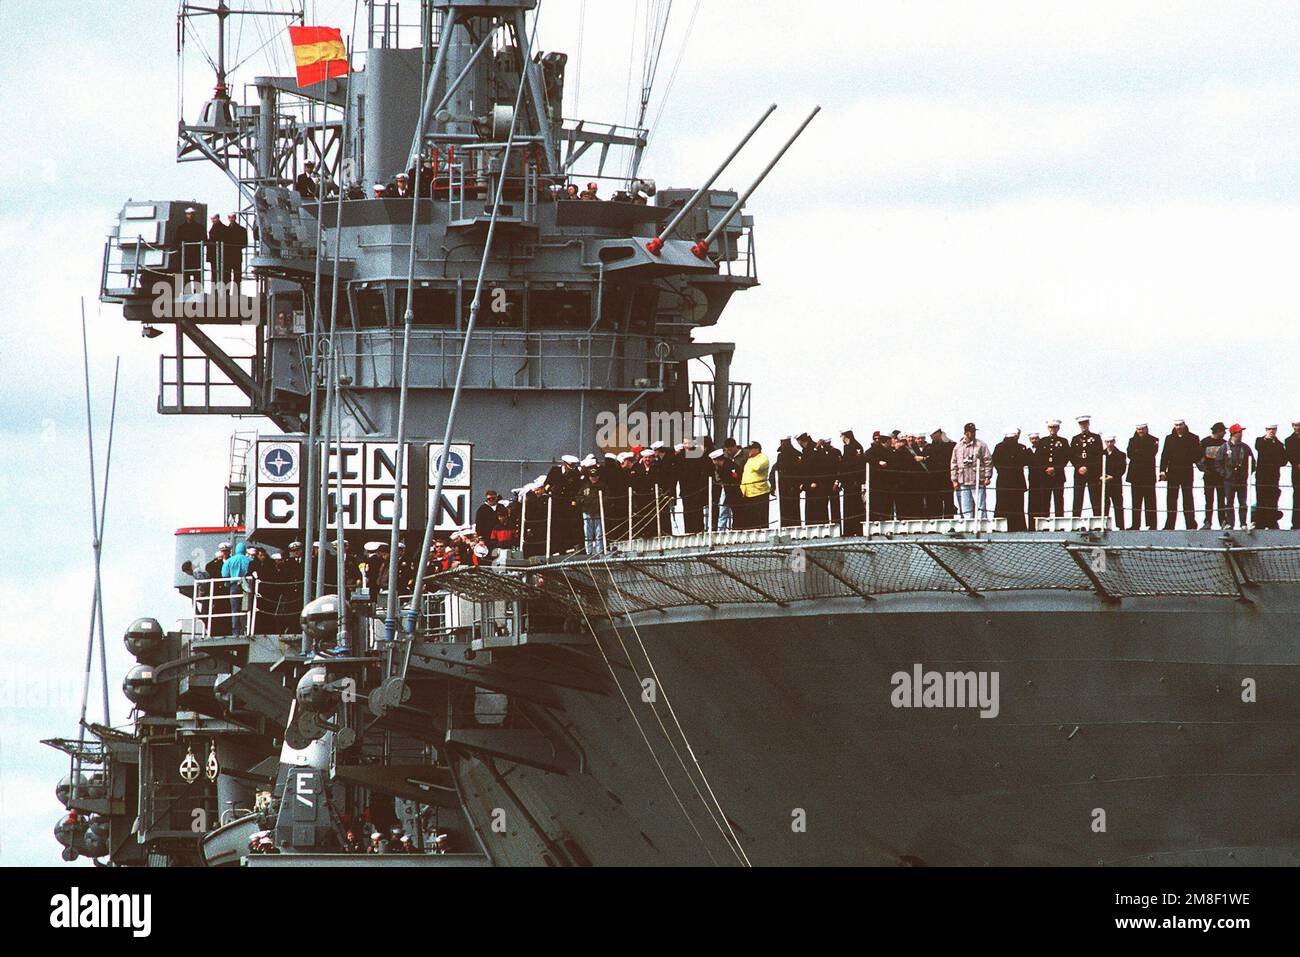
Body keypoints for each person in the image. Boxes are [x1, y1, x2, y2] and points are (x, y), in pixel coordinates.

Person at [1159, 418, 1200, 529]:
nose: (1178, 427)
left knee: (1188, 498)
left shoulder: (1193, 438)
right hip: (1173, 472)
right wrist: (1162, 471)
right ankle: (1170, 525)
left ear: (1184, 425)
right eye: (1176, 425)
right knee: (1171, 499)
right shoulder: (1169, 438)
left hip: (1187, 471)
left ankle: (1191, 524)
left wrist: (1188, 458)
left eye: (1180, 425)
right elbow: (1164, 456)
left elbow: (1197, 455)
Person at [950, 422, 991, 519]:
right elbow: (954, 464)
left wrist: (987, 477)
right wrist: (954, 480)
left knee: (980, 503)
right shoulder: (958, 447)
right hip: (963, 480)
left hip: (977, 480)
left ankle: (982, 522)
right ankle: (968, 523)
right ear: (966, 433)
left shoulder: (981, 445)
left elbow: (988, 461)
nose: (973, 434)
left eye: (974, 431)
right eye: (971, 432)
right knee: (965, 505)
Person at [991, 429, 1028, 531]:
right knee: (1017, 505)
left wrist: (1002, 471)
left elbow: (995, 461)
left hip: (1003, 480)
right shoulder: (1021, 447)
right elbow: (1025, 460)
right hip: (1017, 481)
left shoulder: (999, 447)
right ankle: (1018, 527)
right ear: (1016, 436)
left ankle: (999, 527)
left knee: (1002, 504)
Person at [1220, 424, 1255, 528]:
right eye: (1239, 432)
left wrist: (1247, 473)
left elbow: (1253, 462)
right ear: (1233, 434)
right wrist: (1224, 474)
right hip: (1229, 480)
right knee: (1229, 502)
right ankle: (1230, 523)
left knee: (1242, 502)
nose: (1241, 434)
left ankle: (1243, 523)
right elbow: (1218, 462)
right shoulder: (1224, 447)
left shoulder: (1245, 447)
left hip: (1241, 479)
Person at [1126, 423, 1159, 530]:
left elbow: (1151, 453)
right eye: (1139, 429)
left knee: (1150, 501)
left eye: (1142, 429)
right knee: (1136, 501)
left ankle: (1152, 524)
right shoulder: (1132, 441)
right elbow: (1130, 454)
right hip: (1135, 476)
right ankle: (1135, 524)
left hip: (1148, 475)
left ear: (1147, 429)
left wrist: (1138, 453)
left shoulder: (1154, 440)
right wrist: (1141, 453)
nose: (1140, 431)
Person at [1069, 415, 1102, 517]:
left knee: (1095, 497)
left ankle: (1097, 519)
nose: (1083, 425)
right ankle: (1075, 519)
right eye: (1081, 424)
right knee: (1078, 497)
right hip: (1079, 472)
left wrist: (1088, 467)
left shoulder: (1096, 438)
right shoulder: (1075, 439)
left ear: (1088, 424)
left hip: (1092, 472)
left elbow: (1098, 455)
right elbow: (1072, 455)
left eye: (1085, 423)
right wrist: (1079, 467)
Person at [1036, 419, 1070, 518]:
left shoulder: (1063, 441)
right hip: (1045, 475)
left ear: (1058, 428)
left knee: (1059, 499)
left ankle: (1060, 520)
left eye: (1055, 427)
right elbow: (1038, 457)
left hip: (1058, 475)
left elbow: (1066, 457)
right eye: (1051, 427)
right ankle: (1044, 522)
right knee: (1044, 499)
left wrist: (1055, 468)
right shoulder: (1043, 441)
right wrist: (1046, 468)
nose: (1053, 429)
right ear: (1048, 428)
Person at [1254, 424, 1286, 529]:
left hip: (1273, 476)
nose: (1271, 431)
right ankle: (1260, 522)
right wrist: (1269, 442)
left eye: (1273, 429)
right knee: (1261, 498)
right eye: (1269, 429)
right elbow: (1259, 448)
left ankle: (1271, 521)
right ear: (1266, 430)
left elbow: (1283, 461)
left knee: (1273, 499)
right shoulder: (1260, 441)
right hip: (1262, 476)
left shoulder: (1279, 444)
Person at [798, 432, 833, 524]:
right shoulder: (807, 450)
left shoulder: (816, 450)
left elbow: (818, 466)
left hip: (819, 485)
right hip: (809, 486)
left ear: (800, 441)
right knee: (811, 512)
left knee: (819, 510)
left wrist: (816, 481)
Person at [1198, 421, 1227, 529]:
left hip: (1221, 476)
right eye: (1223, 431)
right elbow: (1198, 458)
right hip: (1209, 475)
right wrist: (1204, 469)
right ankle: (1208, 522)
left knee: (1221, 499)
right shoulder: (1205, 442)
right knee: (1209, 500)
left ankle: (1223, 521)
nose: (1225, 433)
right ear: (1218, 431)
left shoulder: (1224, 443)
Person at [738, 441, 771, 530]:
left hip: (759, 492)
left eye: (751, 449)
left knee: (760, 516)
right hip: (748, 492)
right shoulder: (750, 459)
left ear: (757, 449)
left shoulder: (763, 457)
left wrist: (750, 459)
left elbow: (758, 467)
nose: (749, 450)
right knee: (751, 518)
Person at [221, 541, 251, 637]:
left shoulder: (230, 560)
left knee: (235, 609)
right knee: (247, 608)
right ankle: (247, 629)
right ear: (244, 551)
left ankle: (236, 631)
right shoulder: (249, 560)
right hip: (246, 586)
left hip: (234, 586)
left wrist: (227, 584)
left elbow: (225, 574)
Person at [925, 428, 955, 518]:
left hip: (946, 477)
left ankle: (949, 519)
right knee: (935, 501)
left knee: (948, 501)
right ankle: (936, 519)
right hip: (934, 478)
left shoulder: (950, 445)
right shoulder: (929, 447)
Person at [840, 430, 866, 534]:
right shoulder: (846, 447)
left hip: (854, 481)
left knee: (855, 505)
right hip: (847, 481)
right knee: (848, 506)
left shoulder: (856, 446)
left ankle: (857, 529)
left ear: (845, 436)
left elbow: (858, 464)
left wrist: (857, 479)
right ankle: (849, 529)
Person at [175, 207, 207, 290]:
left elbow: (204, 240)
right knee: (186, 275)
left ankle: (198, 292)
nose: (190, 216)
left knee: (197, 274)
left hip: (196, 255)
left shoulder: (199, 228)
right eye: (189, 214)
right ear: (186, 215)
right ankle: (187, 292)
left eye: (192, 214)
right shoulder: (181, 228)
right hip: (186, 255)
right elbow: (176, 241)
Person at [1100, 435, 1127, 529]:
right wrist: (1101, 476)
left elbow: (1122, 469)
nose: (1109, 444)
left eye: (1111, 441)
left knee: (1118, 505)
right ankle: (1104, 525)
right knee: (1104, 505)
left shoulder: (1120, 454)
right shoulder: (1101, 454)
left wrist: (1113, 476)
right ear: (1105, 442)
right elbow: (1097, 467)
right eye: (1107, 442)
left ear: (1114, 442)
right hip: (1104, 483)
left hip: (1115, 483)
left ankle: (1120, 526)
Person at [576, 470, 604, 554]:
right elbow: (578, 496)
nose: (594, 478)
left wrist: (600, 503)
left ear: (598, 476)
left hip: (598, 511)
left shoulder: (602, 486)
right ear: (589, 477)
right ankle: (589, 552)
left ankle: (599, 551)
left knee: (599, 533)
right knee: (588, 534)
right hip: (587, 511)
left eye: (595, 476)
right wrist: (583, 501)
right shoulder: (585, 486)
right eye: (592, 476)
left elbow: (607, 496)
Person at [221, 212, 248, 293]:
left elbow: (244, 243)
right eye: (229, 217)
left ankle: (236, 293)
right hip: (229, 256)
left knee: (237, 276)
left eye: (232, 217)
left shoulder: (241, 230)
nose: (231, 219)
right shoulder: (226, 230)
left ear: (235, 218)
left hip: (235, 255)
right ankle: (227, 293)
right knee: (227, 275)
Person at [1025, 432, 1046, 527]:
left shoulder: (1043, 450)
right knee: (1032, 502)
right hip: (1032, 479)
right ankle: (1031, 524)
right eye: (1032, 439)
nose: (1034, 441)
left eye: (1036, 439)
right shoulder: (1028, 451)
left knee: (1042, 500)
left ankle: (1042, 524)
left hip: (1042, 478)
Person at [206, 213, 227, 286]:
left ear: (218, 218)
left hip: (220, 254)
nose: (213, 220)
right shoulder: (214, 227)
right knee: (214, 273)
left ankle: (219, 290)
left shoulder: (223, 228)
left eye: (214, 218)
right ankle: (215, 290)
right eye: (211, 219)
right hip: (214, 254)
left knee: (221, 273)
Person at [1287, 421, 1300, 530]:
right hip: (1297, 472)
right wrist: (1297, 464)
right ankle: (1296, 523)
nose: (1297, 427)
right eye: (1295, 425)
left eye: (1299, 425)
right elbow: (1290, 455)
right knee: (1297, 496)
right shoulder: (1289, 440)